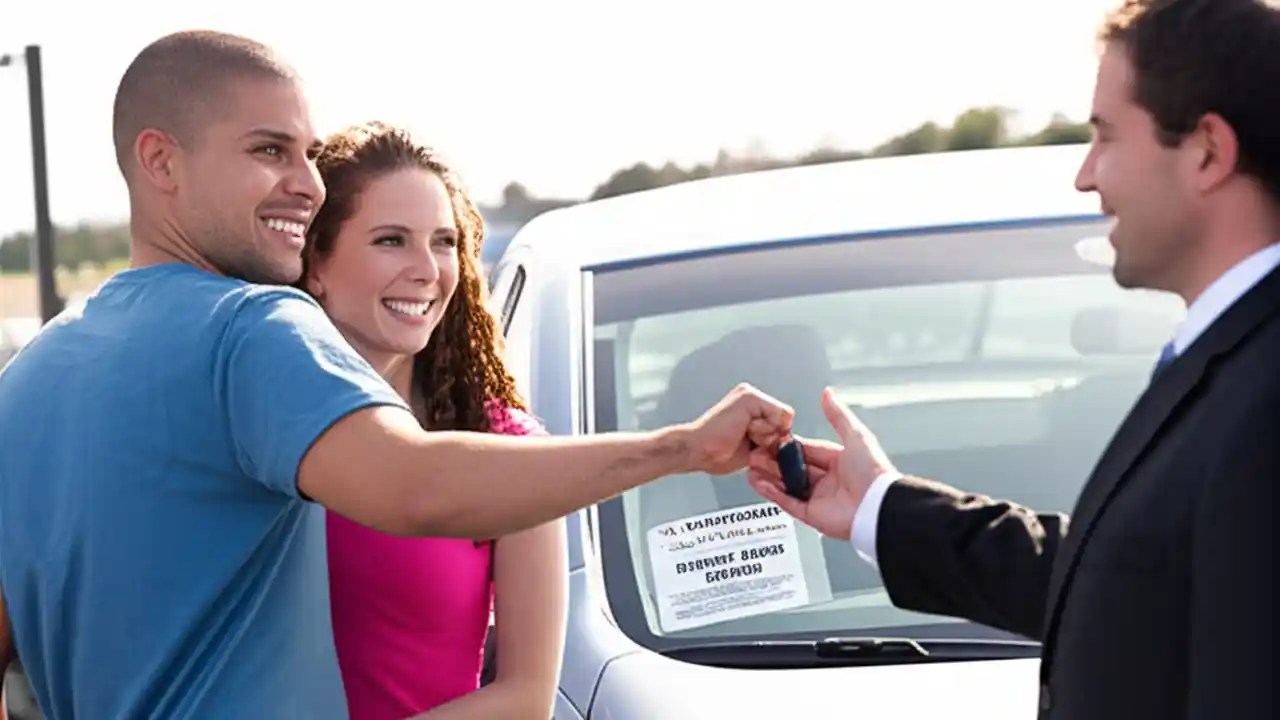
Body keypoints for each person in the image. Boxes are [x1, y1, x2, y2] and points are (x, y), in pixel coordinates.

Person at [0, 31, 793, 719]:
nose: (307, 183)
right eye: (269, 150)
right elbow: (417, 484)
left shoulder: (27, 379)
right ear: (159, 159)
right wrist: (681, 448)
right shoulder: (251, 330)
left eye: (309, 155)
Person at [749, 1, 1280, 718]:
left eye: (1106, 137)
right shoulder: (1236, 355)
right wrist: (880, 507)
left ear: (1209, 151)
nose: (1086, 176)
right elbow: (1120, 583)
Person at [297, 121, 566, 719]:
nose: (427, 269)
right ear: (315, 260)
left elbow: (525, 698)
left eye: (444, 242)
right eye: (391, 240)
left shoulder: (503, 446)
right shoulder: (254, 426)